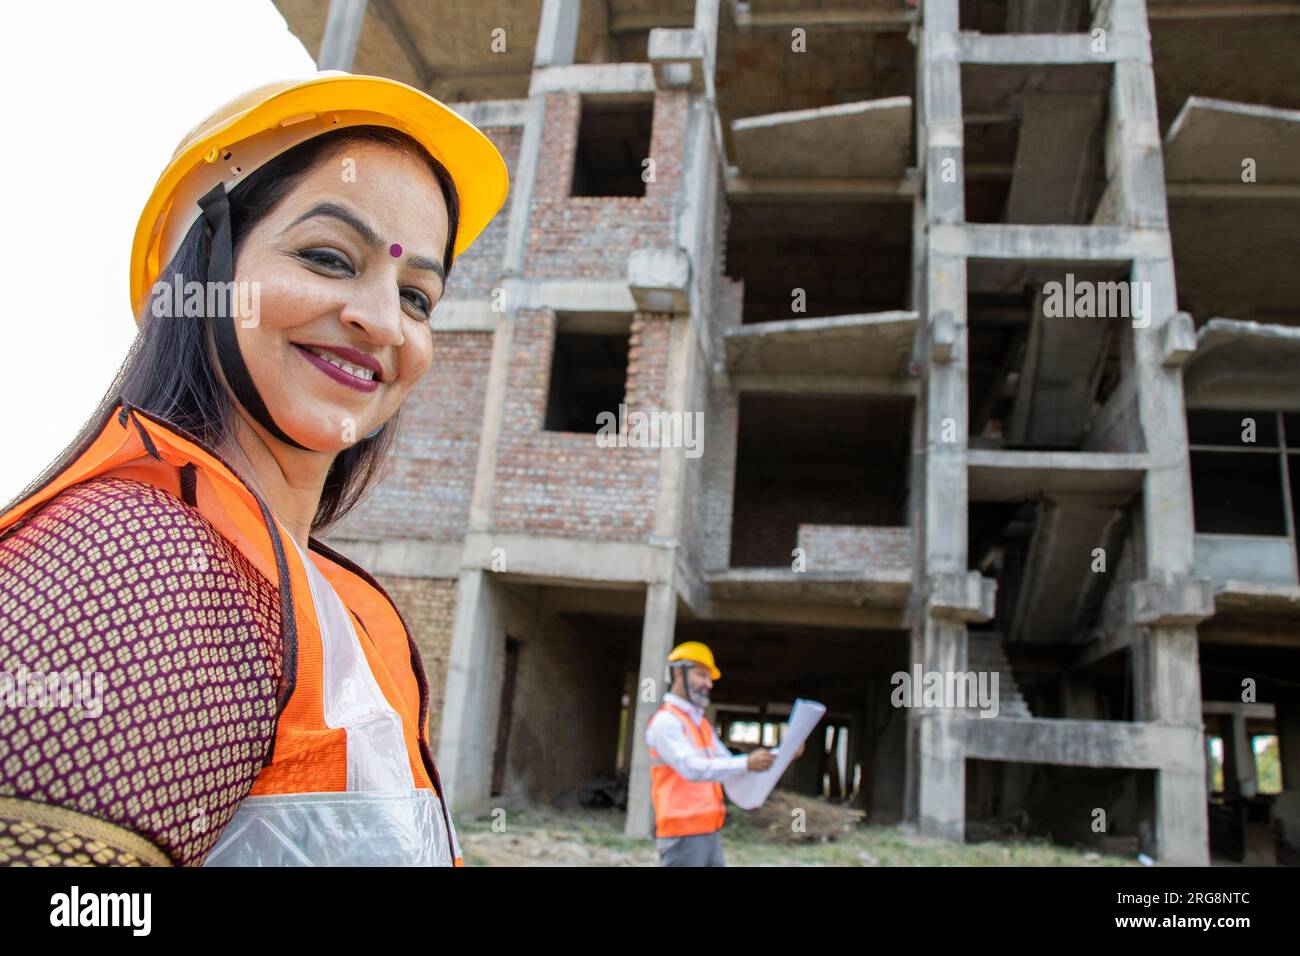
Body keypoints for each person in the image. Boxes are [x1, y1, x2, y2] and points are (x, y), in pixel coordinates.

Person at [0, 71, 508, 867]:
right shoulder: (139, 562)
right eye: (329, 257)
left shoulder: (323, 603)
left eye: (417, 297)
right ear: (199, 273)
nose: (381, 320)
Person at [645, 642, 801, 867]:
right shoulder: (666, 722)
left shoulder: (700, 725)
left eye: (710, 678)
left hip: (708, 830)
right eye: (702, 675)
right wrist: (748, 763)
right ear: (679, 673)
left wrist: (783, 753)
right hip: (682, 833)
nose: (708, 684)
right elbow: (691, 768)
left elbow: (729, 765)